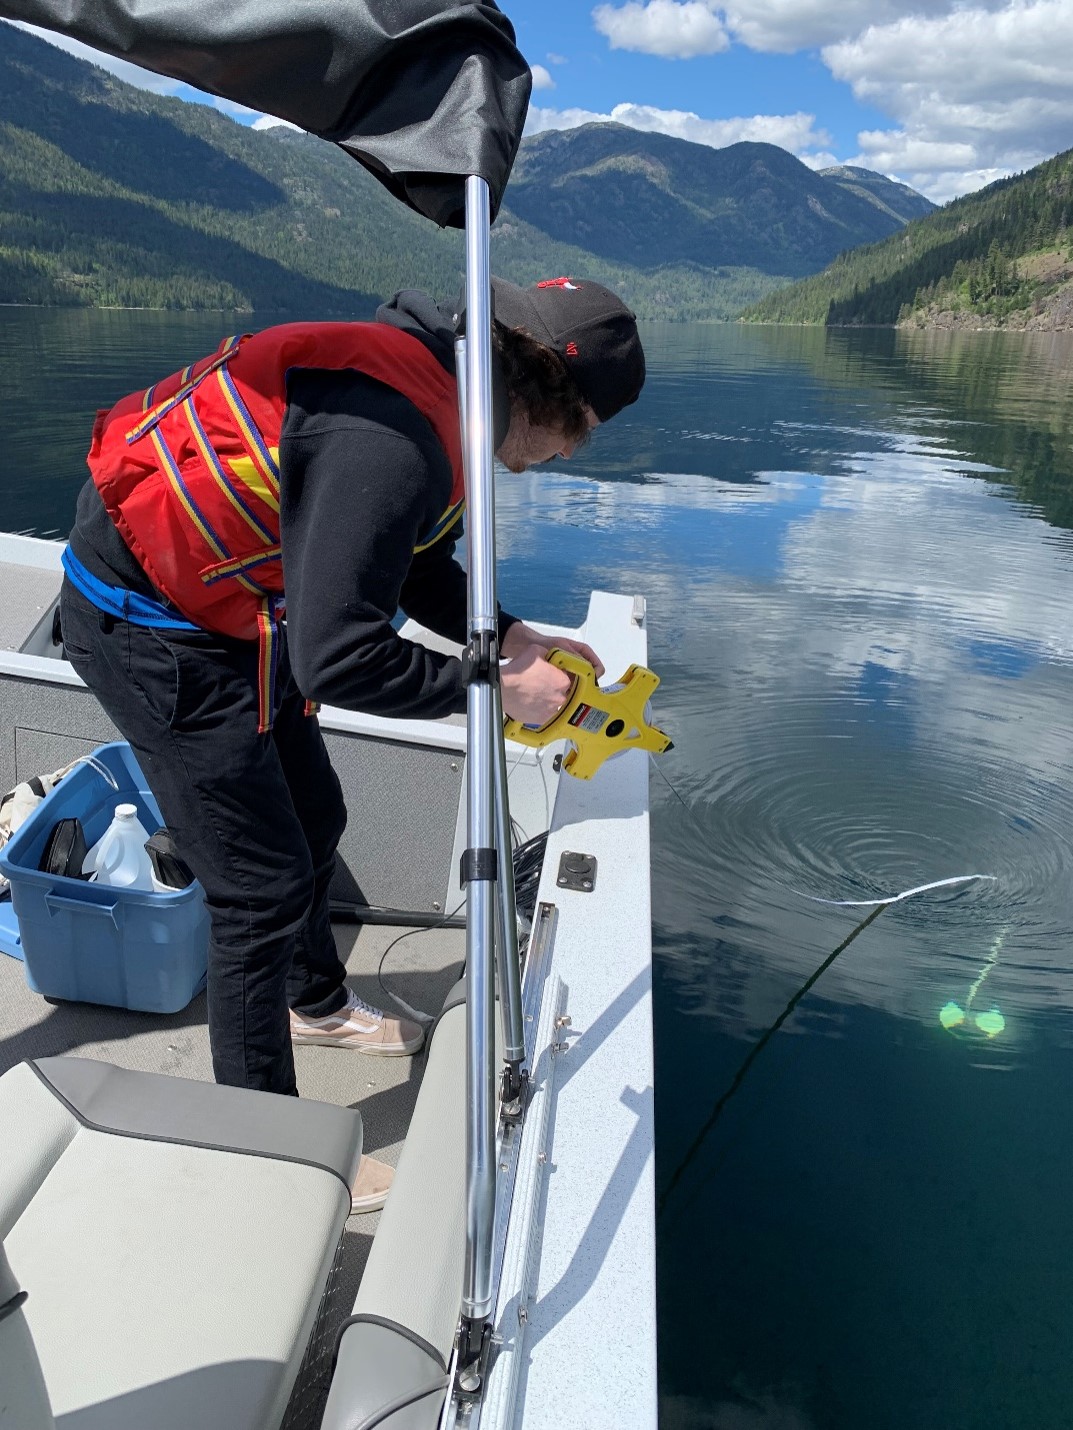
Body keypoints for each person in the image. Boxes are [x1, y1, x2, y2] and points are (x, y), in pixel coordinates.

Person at [58, 275, 646, 1212]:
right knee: (258, 888)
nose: (571, 455)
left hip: (230, 616)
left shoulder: (440, 389)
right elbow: (339, 661)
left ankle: (317, 1005)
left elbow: (412, 562)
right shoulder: (394, 439)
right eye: (584, 432)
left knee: (315, 815)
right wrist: (497, 690)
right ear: (553, 401)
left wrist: (508, 633)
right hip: (151, 631)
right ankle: (268, 1157)